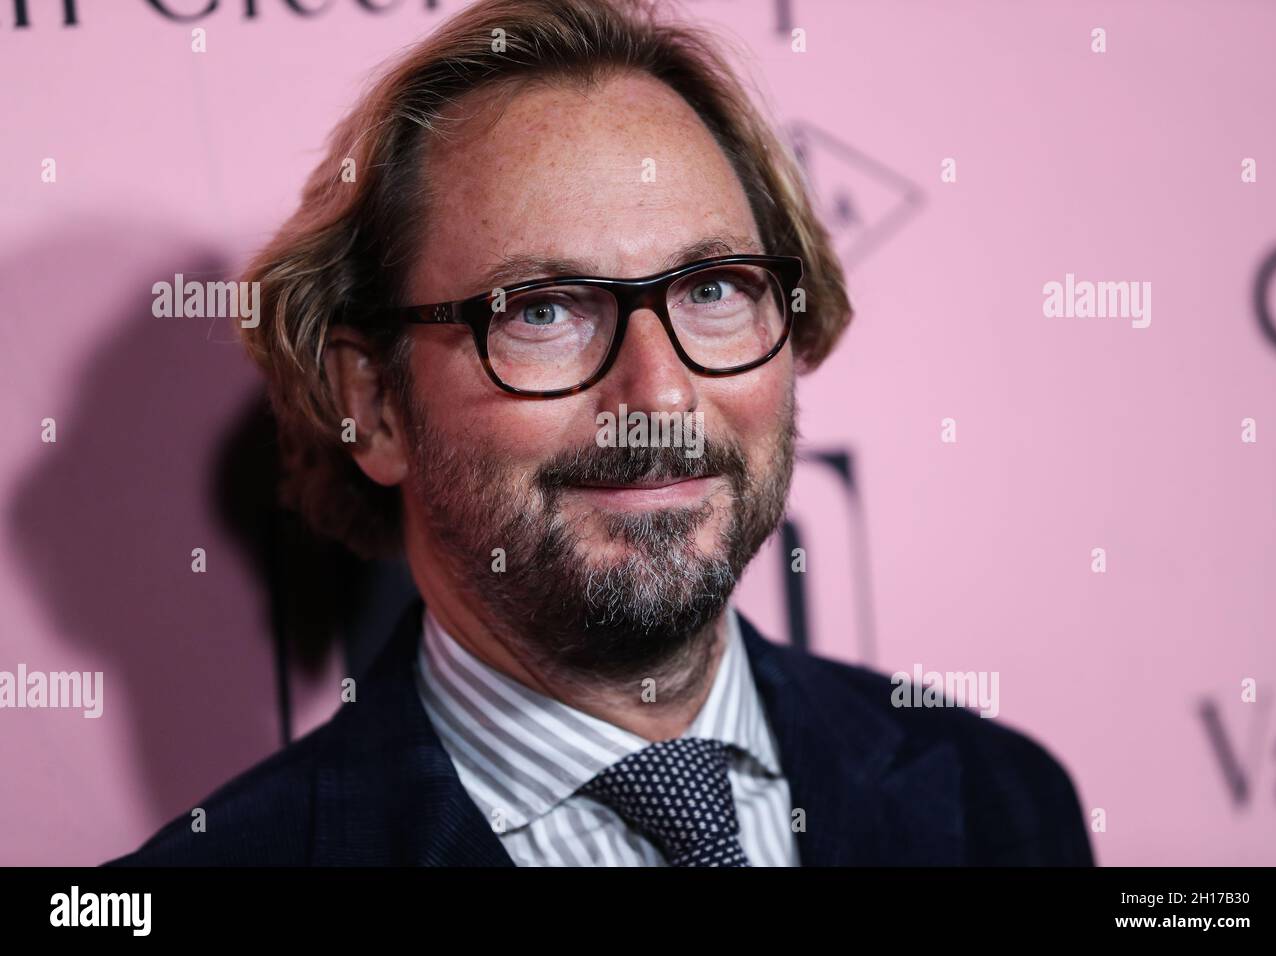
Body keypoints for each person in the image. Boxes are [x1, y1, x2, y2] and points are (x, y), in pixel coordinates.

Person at [106, 0, 1093, 867]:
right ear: (375, 402)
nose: (657, 395)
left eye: (713, 290)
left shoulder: (996, 800)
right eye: (541, 309)